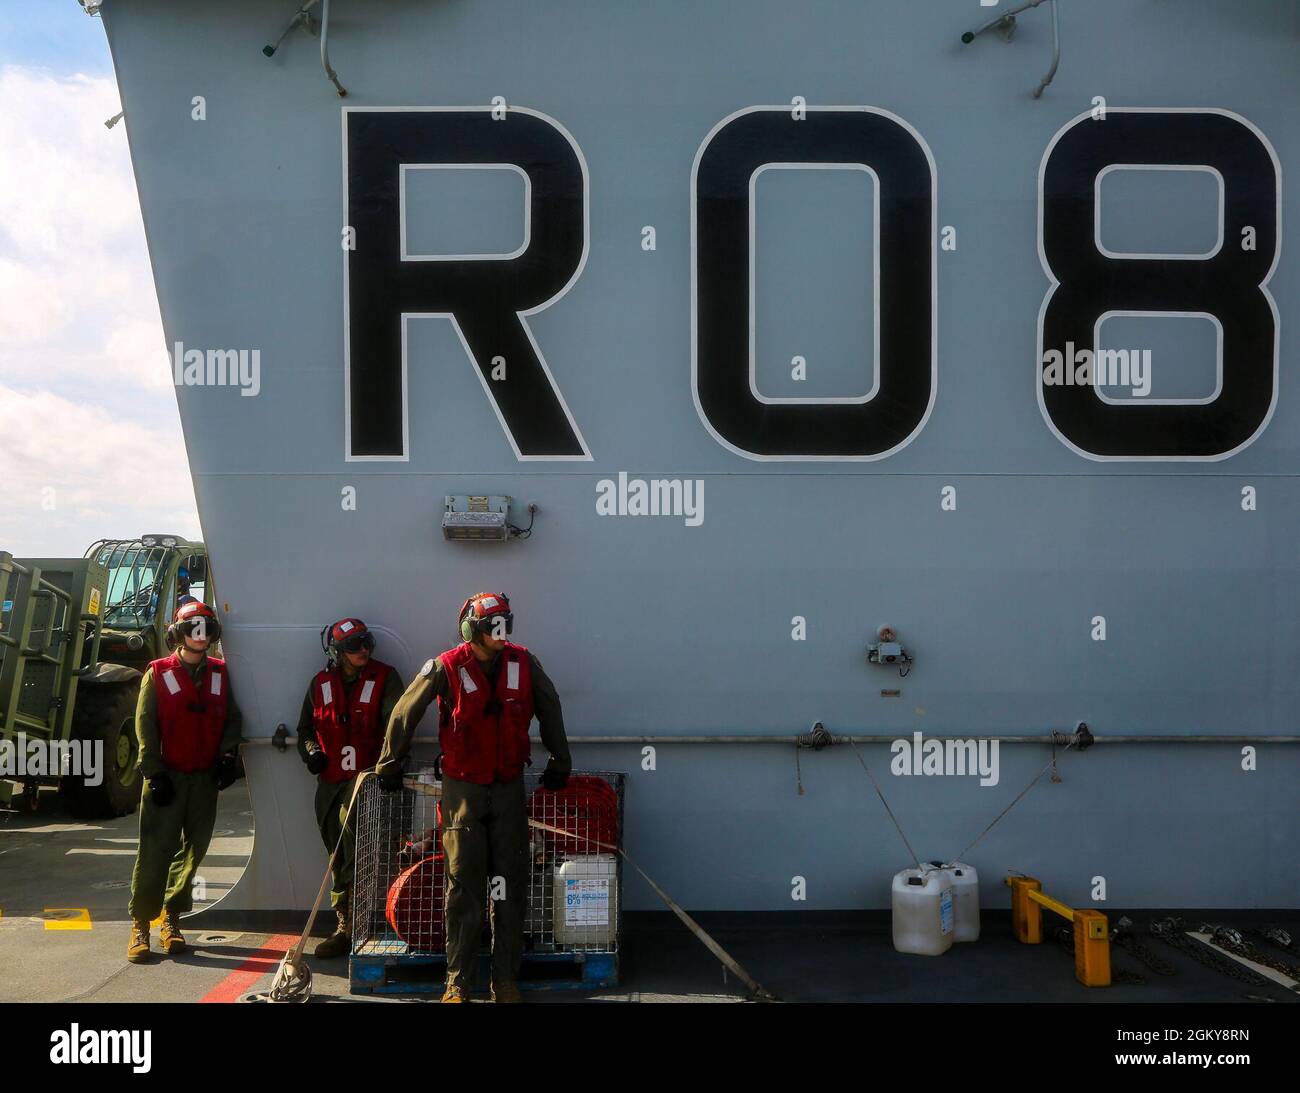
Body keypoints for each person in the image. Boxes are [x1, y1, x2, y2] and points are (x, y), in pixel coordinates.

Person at [377, 592, 571, 1003]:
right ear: (472, 629)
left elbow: (550, 706)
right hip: (463, 790)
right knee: (463, 886)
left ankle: (505, 980)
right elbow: (403, 712)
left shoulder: (523, 663)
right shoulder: (446, 667)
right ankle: (458, 983)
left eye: (505, 625)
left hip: (506, 789)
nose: (500, 635)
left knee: (509, 884)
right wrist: (388, 764)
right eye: (491, 627)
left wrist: (560, 758)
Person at [127, 600, 242, 963]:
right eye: (193, 627)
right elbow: (144, 725)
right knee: (155, 851)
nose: (200, 634)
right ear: (179, 632)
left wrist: (227, 757)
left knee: (194, 851)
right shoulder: (157, 672)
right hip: (167, 778)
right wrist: (153, 772)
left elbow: (233, 720)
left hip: (203, 779)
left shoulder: (222, 673)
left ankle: (172, 919)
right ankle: (141, 924)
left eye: (206, 627)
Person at [295, 618, 404, 958]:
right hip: (329, 786)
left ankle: (355, 925)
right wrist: (311, 753)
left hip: (366, 784)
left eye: (366, 642)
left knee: (358, 853)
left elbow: (396, 727)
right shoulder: (320, 683)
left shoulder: (385, 679)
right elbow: (305, 730)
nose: (363, 650)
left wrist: (391, 764)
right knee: (337, 852)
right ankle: (349, 920)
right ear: (337, 652)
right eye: (354, 645)